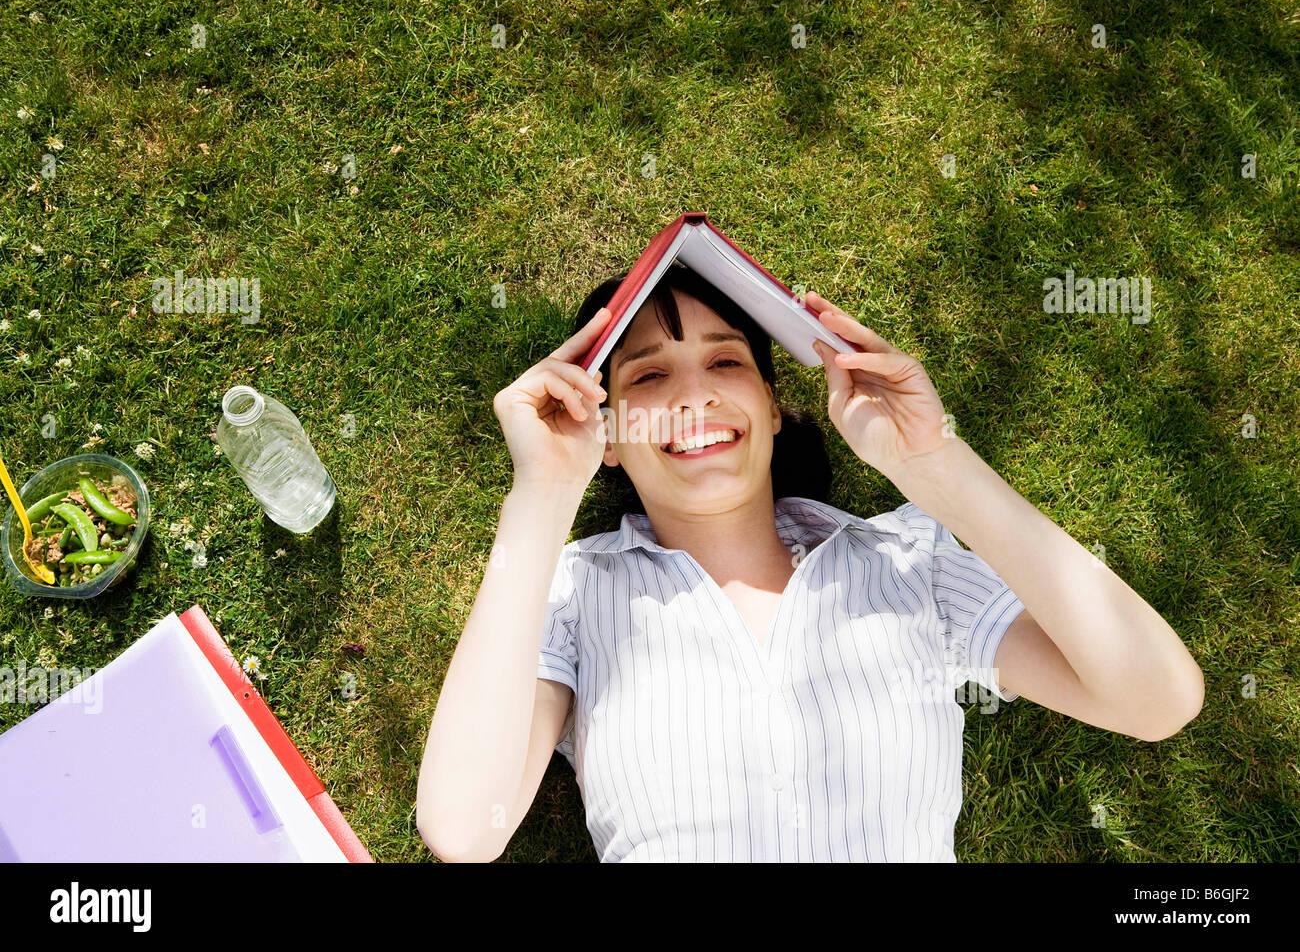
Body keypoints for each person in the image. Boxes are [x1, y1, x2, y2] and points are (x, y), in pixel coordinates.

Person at [416, 262, 1204, 862]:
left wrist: (934, 465)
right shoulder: (570, 593)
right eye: (650, 376)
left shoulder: (907, 565)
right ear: (609, 434)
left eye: (726, 364)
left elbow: (1156, 700)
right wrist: (543, 492)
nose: (695, 395)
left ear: (771, 404)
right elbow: (462, 828)